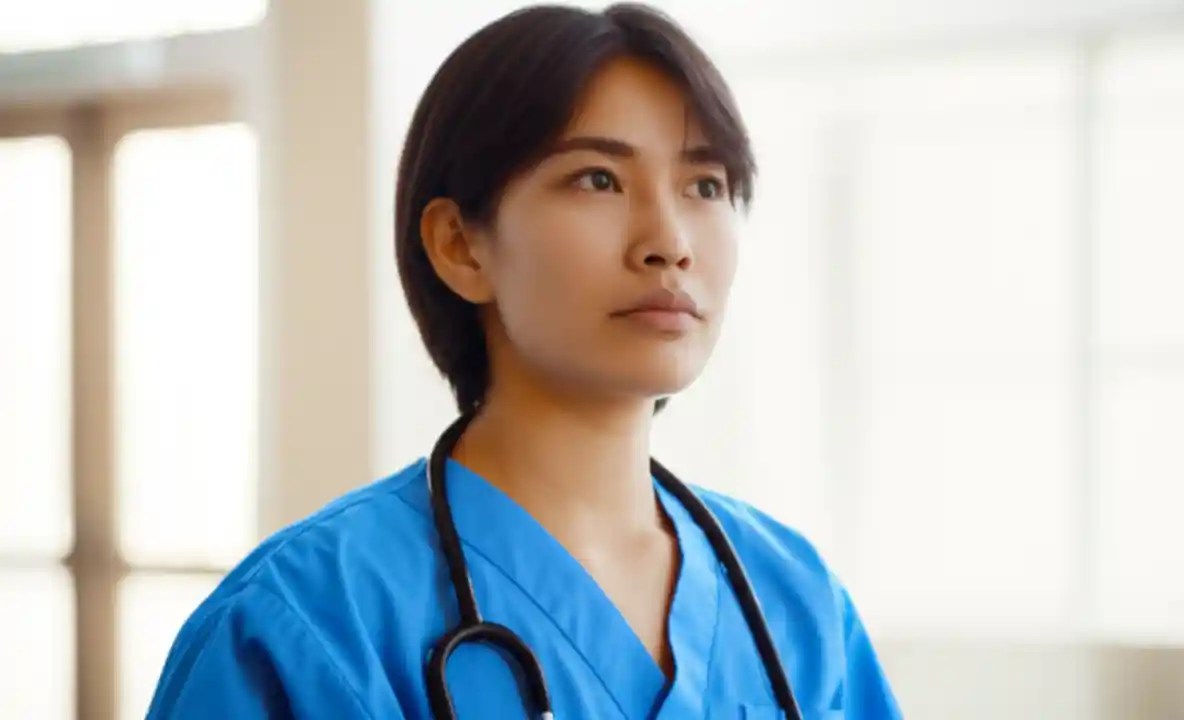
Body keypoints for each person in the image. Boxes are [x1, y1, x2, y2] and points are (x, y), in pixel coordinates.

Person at [146, 4, 901, 718]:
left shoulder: (791, 601)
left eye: (705, 185)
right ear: (460, 246)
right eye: (597, 179)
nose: (670, 240)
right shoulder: (306, 625)